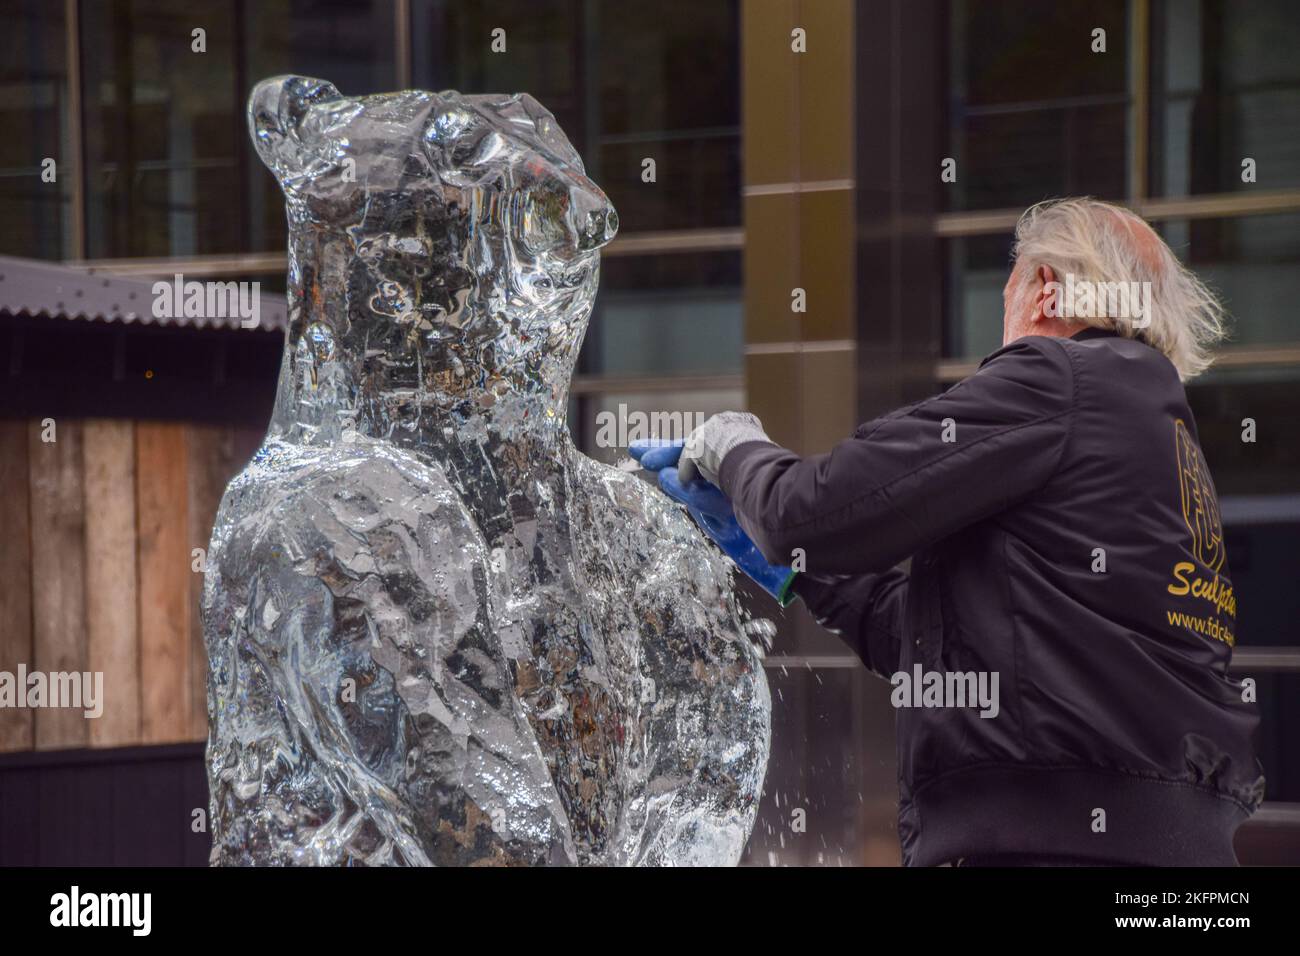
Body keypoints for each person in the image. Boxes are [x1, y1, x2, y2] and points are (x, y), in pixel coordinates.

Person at [634, 197, 1265, 867]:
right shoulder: (1160, 437)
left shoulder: (1062, 379)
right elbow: (944, 646)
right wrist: (798, 572)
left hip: (1046, 848)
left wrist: (734, 446)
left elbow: (810, 514)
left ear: (1047, 289)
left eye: (1008, 296)